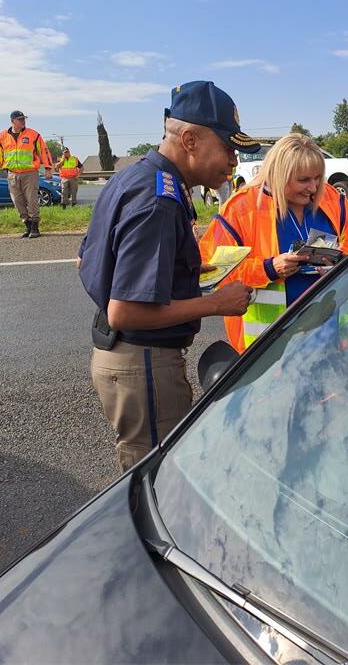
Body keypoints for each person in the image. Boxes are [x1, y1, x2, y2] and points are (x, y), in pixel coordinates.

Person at [78, 80, 258, 471]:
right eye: (228, 148)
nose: (233, 161)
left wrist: (179, 271)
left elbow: (88, 260)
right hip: (142, 358)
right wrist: (217, 303)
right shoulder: (160, 199)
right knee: (154, 481)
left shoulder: (136, 176)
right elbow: (124, 312)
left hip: (125, 356)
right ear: (190, 140)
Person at [199, 133, 348, 353]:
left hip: (327, 335)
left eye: (317, 177)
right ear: (279, 175)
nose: (313, 187)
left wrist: (339, 263)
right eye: (303, 180)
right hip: (268, 347)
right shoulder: (241, 209)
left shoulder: (332, 199)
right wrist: (269, 268)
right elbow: (213, 270)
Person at [0, 110, 54, 238]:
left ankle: (35, 227)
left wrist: (48, 168)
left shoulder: (33, 135)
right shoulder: (1, 137)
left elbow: (44, 151)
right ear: (12, 121)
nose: (23, 121)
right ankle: (27, 225)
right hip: (12, 174)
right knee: (17, 201)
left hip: (30, 173)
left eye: (24, 119)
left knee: (32, 200)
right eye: (20, 119)